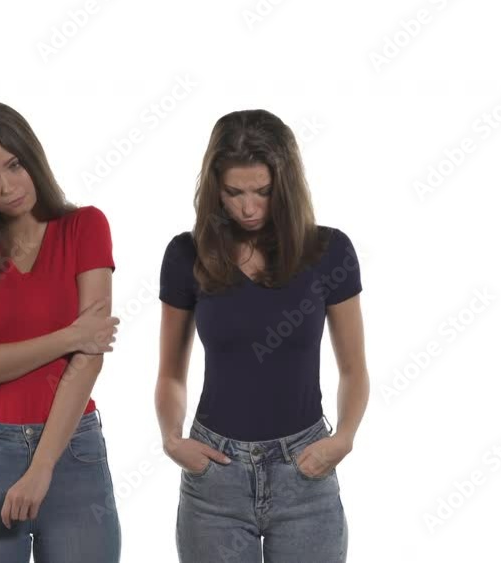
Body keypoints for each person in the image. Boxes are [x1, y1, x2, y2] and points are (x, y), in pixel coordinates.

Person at [155, 109, 370, 563]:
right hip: (215, 475)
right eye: (233, 192)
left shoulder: (329, 251)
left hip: (305, 471)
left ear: (285, 187)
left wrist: (344, 437)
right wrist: (172, 438)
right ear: (215, 189)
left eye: (262, 192)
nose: (248, 207)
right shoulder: (185, 255)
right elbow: (171, 374)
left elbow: (353, 368)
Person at [0, 102, 121, 562]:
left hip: (74, 451)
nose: (8, 186)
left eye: (13, 165)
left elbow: (90, 354)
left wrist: (42, 467)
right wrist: (66, 337)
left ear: (31, 156)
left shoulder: (85, 227)